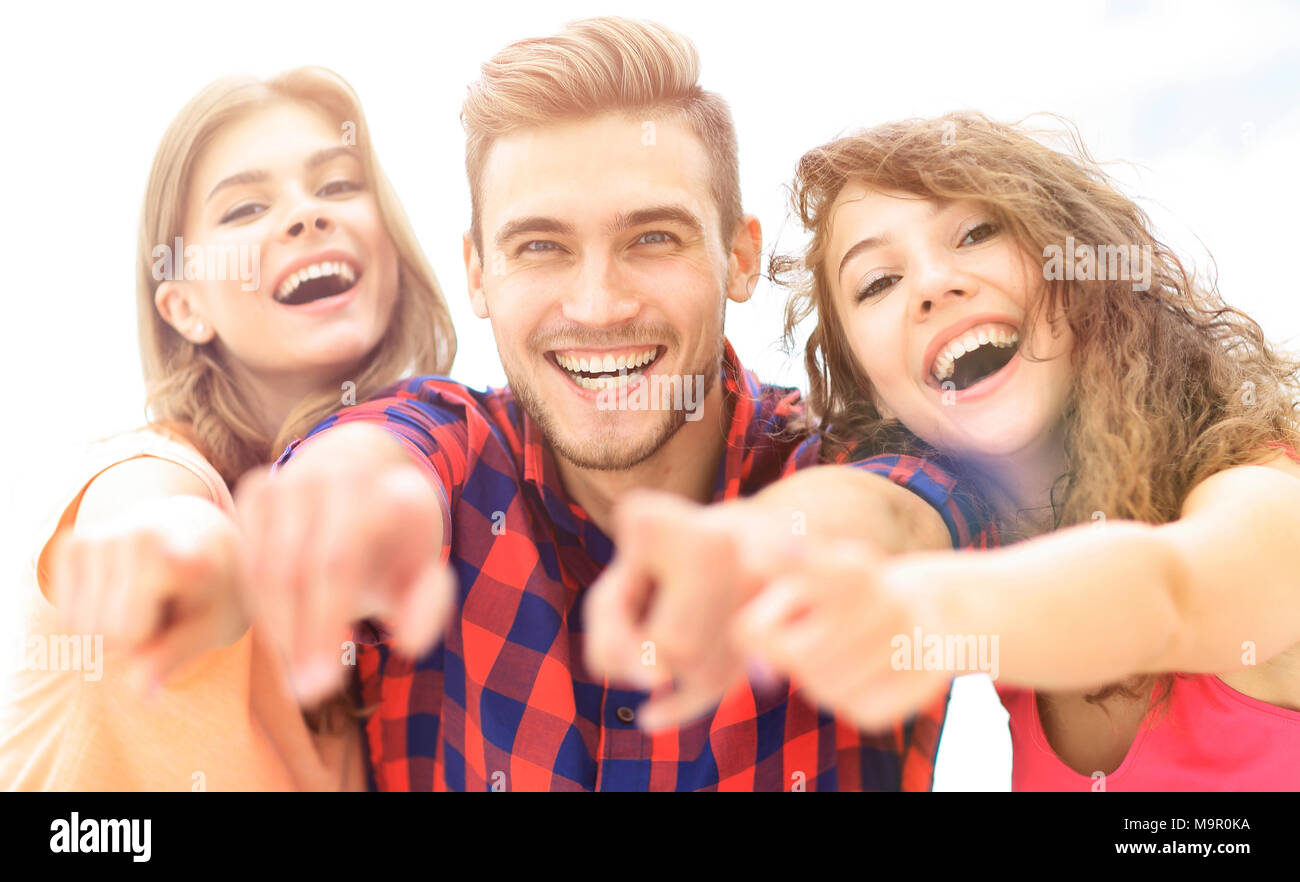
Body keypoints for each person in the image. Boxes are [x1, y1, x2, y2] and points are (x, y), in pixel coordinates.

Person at [234, 17, 974, 791]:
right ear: (479, 273)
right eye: (541, 246)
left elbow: (901, 516)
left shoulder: (851, 455)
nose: (597, 306)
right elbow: (372, 458)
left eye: (653, 238)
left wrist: (759, 544)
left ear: (741, 257)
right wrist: (334, 509)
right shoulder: (449, 447)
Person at [599, 112, 1300, 790]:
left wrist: (922, 616)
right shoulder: (998, 554)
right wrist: (753, 541)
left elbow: (1171, 595)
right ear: (874, 393)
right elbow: (880, 509)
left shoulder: (1263, 490)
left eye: (976, 233)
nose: (934, 285)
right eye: (877, 282)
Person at [0, 67, 456, 791]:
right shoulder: (145, 471)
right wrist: (188, 553)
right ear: (185, 308)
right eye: (245, 209)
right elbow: (159, 520)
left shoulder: (417, 479)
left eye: (337, 186)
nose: (307, 216)